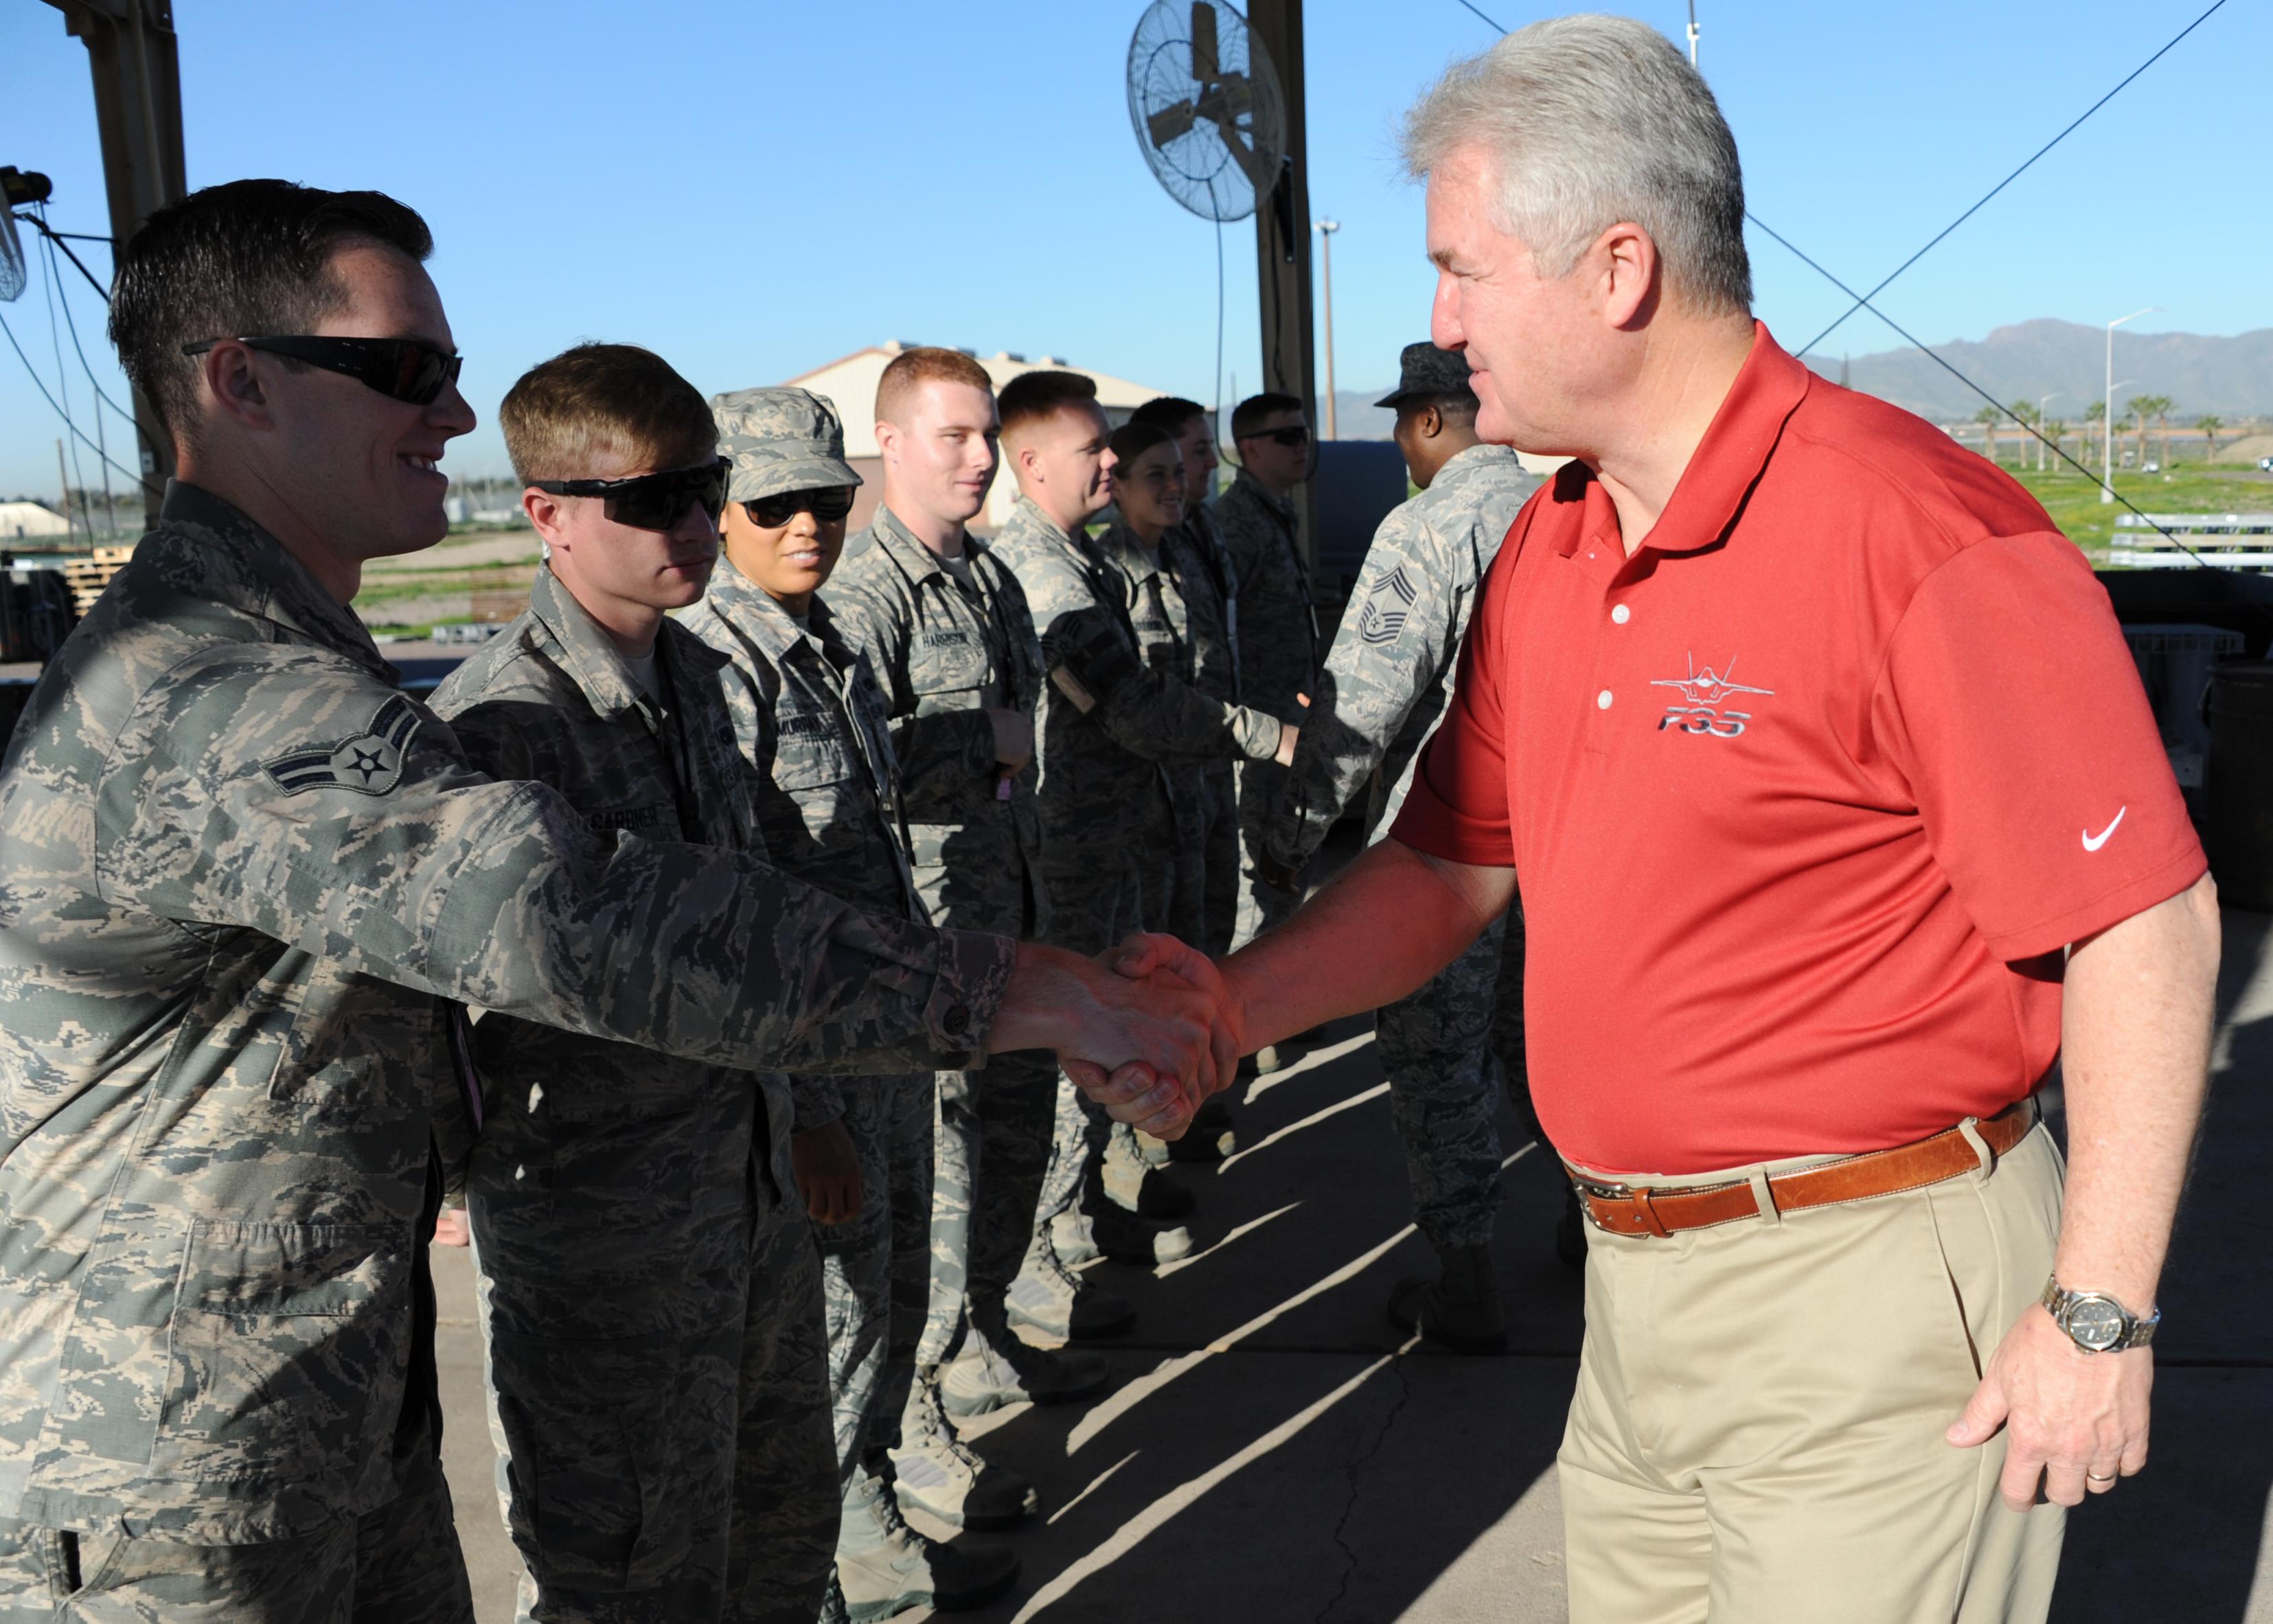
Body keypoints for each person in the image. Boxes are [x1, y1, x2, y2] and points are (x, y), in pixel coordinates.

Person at [1121, 17, 2217, 1622]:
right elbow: (1443, 867)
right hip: (1635, 1292)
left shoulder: (1910, 531)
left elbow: (2141, 920)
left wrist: (2099, 1311)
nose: (1434, 325)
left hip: (1865, 1291)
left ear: (1615, 268)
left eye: (1460, 271)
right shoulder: (1549, 548)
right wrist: (1228, 1005)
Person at [0, 180, 1217, 1624]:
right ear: (238, 383)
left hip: (315, 1420)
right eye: (406, 371)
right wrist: (1043, 994)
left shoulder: (291, 656)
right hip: (169, 1476)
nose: (454, 415)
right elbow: (567, 910)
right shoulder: (206, 690)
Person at [427, 345, 838, 1624]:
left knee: (779, 1544)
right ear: (547, 514)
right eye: (652, 498)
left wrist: (805, 1105)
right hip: (605, 1250)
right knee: (626, 1583)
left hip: (750, 1205)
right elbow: (436, 995)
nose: (699, 524)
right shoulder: (499, 728)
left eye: (707, 488)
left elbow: (755, 914)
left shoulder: (701, 680)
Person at [682, 386, 1018, 1620]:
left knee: (887, 1316)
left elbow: (859, 824)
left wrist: (980, 742)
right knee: (826, 1348)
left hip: (882, 1055)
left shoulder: (816, 640)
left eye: (825, 502)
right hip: (818, 1080)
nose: (806, 527)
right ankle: (838, 1580)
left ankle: (873, 1536)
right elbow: (749, 917)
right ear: (722, 510)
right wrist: (808, 1109)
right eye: (774, 506)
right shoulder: (724, 667)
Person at [825, 349, 1113, 1450]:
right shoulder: (865, 592)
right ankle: (922, 1425)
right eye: (954, 436)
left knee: (1011, 1150)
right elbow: (835, 770)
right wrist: (969, 743)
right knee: (939, 1183)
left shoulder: (992, 579)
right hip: (931, 941)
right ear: (891, 443)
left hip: (1010, 915)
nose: (979, 457)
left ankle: (979, 1338)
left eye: (987, 434)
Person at [1263, 341, 1542, 1351]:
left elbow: (1358, 711)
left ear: (1428, 420)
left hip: (1448, 852)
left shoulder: (1429, 526)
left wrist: (1287, 842)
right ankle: (1597, 1235)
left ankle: (1465, 1274)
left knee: (1435, 1058)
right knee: (1545, 1044)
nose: (1398, 445)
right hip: (1559, 854)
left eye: (1399, 425)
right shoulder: (1565, 512)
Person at [991, 383, 1297, 1280]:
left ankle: (1084, 1225)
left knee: (1104, 1053)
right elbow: (1128, 706)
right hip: (1072, 857)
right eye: (1097, 454)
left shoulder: (1076, 560)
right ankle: (1051, 1268)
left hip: (1114, 841)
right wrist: (1262, 735)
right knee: (1070, 1066)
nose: (1112, 466)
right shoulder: (1046, 573)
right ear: (1034, 463)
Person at [1128, 396, 1241, 963]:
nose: (1187, 478)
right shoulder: (1112, 569)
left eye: (1183, 468)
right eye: (1163, 471)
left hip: (1207, 771)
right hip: (1152, 798)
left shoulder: (1188, 542)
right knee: (1154, 947)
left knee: (1207, 927)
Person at [1209, 390, 1320, 960]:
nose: (1303, 446)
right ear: (1249, 449)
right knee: (1254, 871)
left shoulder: (1275, 510)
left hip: (1286, 719)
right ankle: (1248, 1026)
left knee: (1283, 861)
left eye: (1305, 433)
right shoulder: (1235, 523)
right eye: (1288, 436)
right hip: (1256, 729)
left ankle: (1277, 1001)